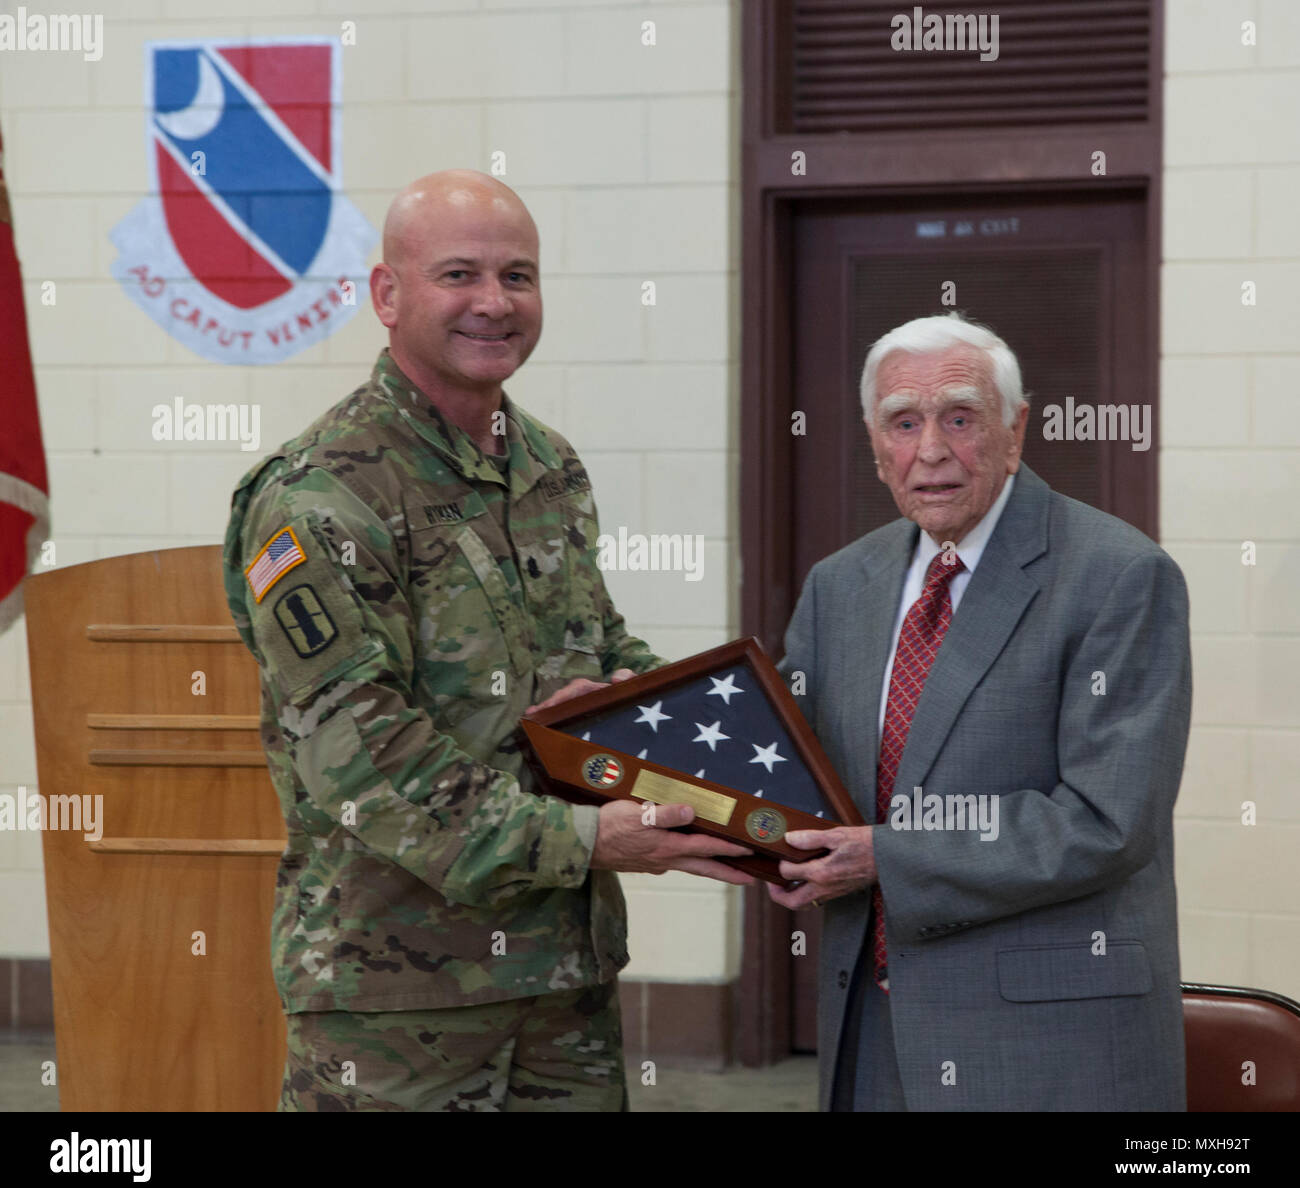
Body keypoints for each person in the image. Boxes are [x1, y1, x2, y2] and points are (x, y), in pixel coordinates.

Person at [223, 169, 749, 1112]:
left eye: (519, 275)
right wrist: (585, 837)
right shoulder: (322, 493)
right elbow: (362, 757)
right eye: (459, 274)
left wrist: (710, 744)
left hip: (563, 979)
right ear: (388, 295)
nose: (495, 302)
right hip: (396, 999)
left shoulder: (548, 464)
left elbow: (600, 649)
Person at [771, 313, 1191, 1111]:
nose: (930, 450)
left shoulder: (1120, 575)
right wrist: (631, 712)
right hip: (872, 1032)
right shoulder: (839, 586)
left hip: (1049, 1044)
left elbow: (1108, 821)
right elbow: (786, 761)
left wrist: (885, 858)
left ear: (1015, 431)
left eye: (960, 418)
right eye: (903, 422)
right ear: (875, 444)